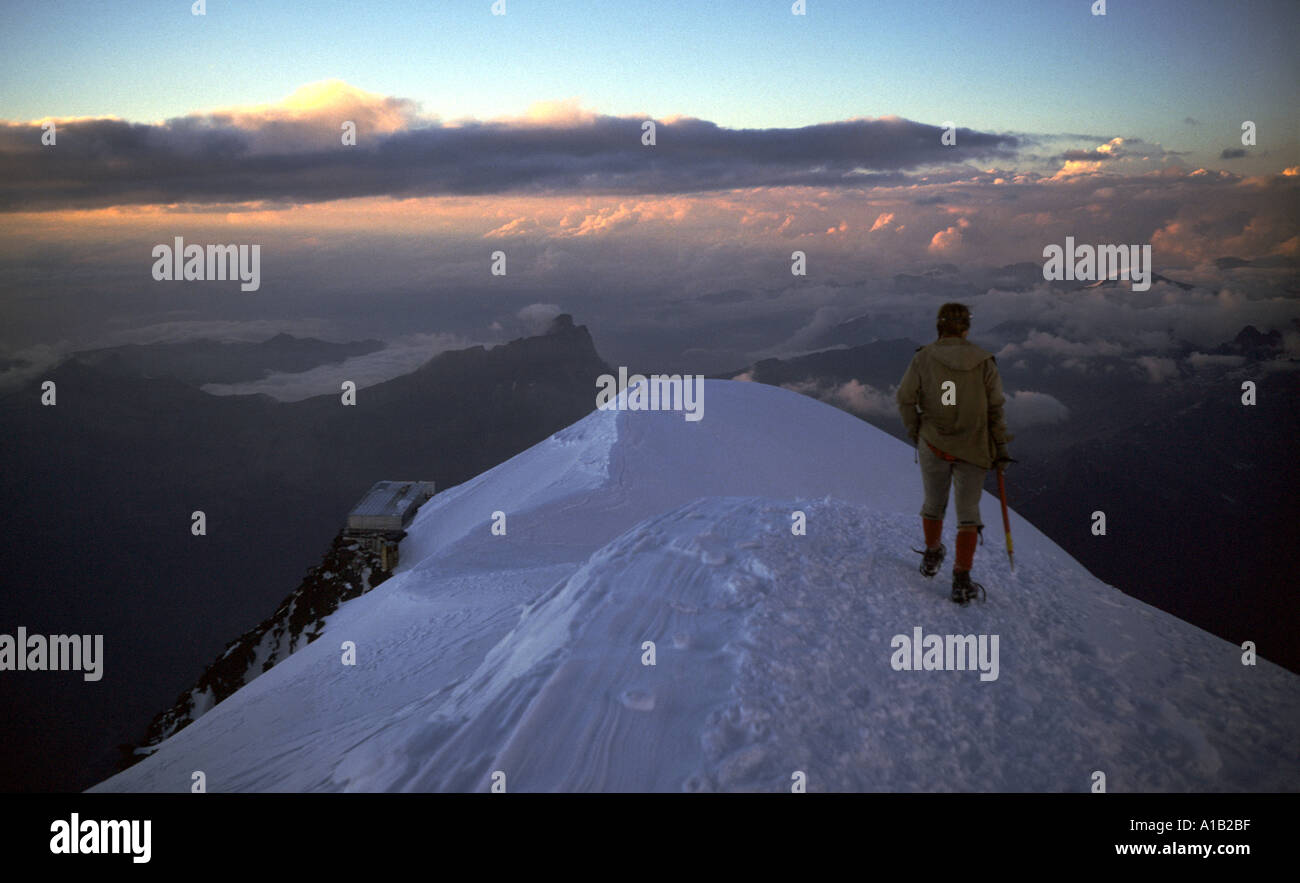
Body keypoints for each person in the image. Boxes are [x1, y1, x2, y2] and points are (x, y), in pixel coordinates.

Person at [896, 303, 1013, 604]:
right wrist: (1000, 449)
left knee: (933, 504)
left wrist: (916, 431)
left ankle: (933, 553)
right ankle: (962, 579)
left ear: (939, 326)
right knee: (968, 515)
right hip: (973, 446)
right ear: (965, 328)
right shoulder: (984, 361)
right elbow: (995, 409)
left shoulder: (923, 358)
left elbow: (905, 398)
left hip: (933, 442)